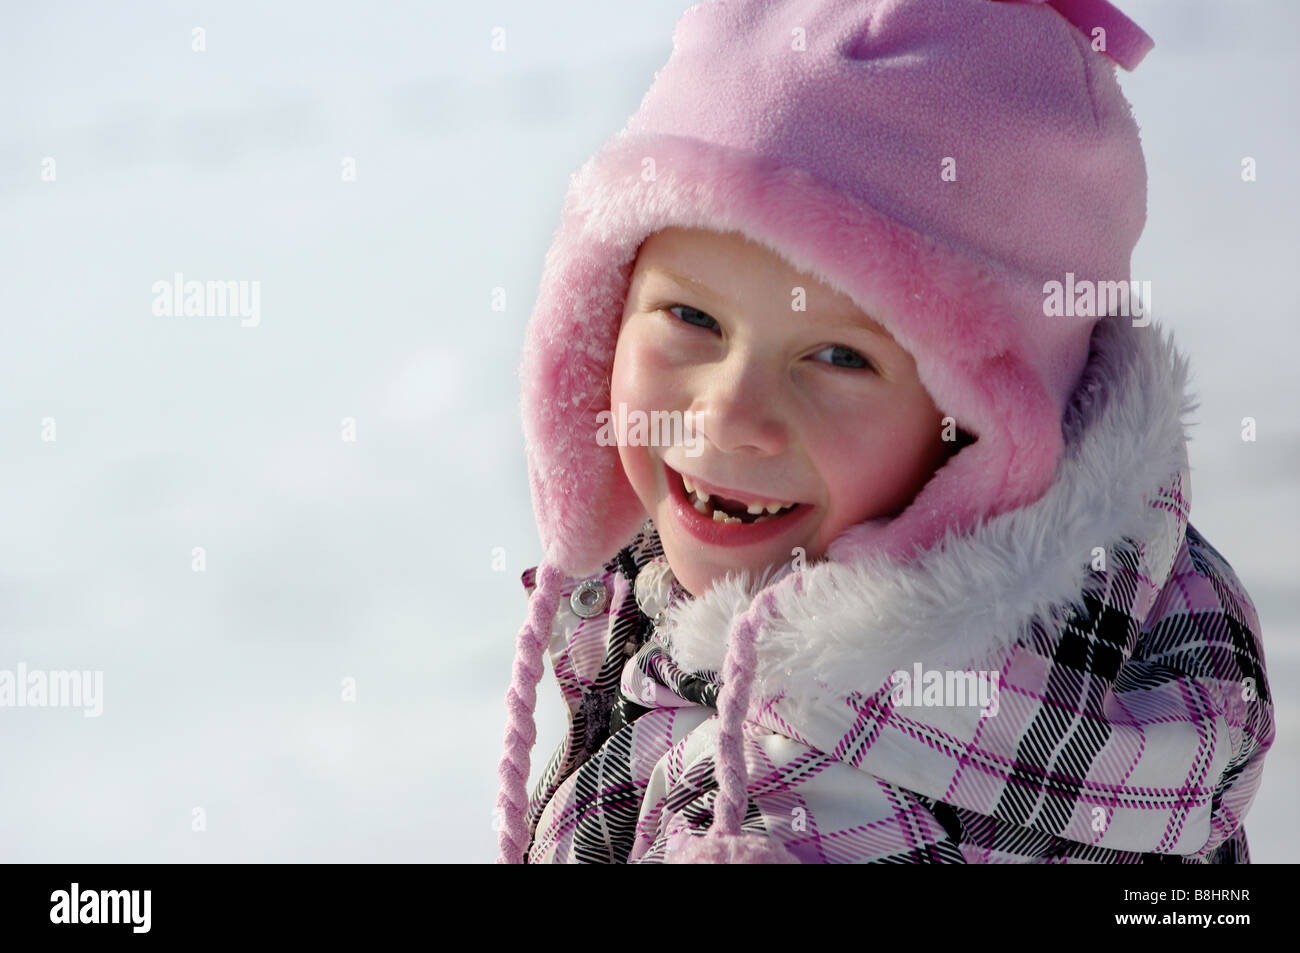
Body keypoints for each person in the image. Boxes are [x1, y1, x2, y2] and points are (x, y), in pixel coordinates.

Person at [495, 0, 1275, 863]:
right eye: (690, 315)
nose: (726, 414)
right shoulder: (1142, 604)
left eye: (837, 356)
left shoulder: (825, 812)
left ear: (981, 437)